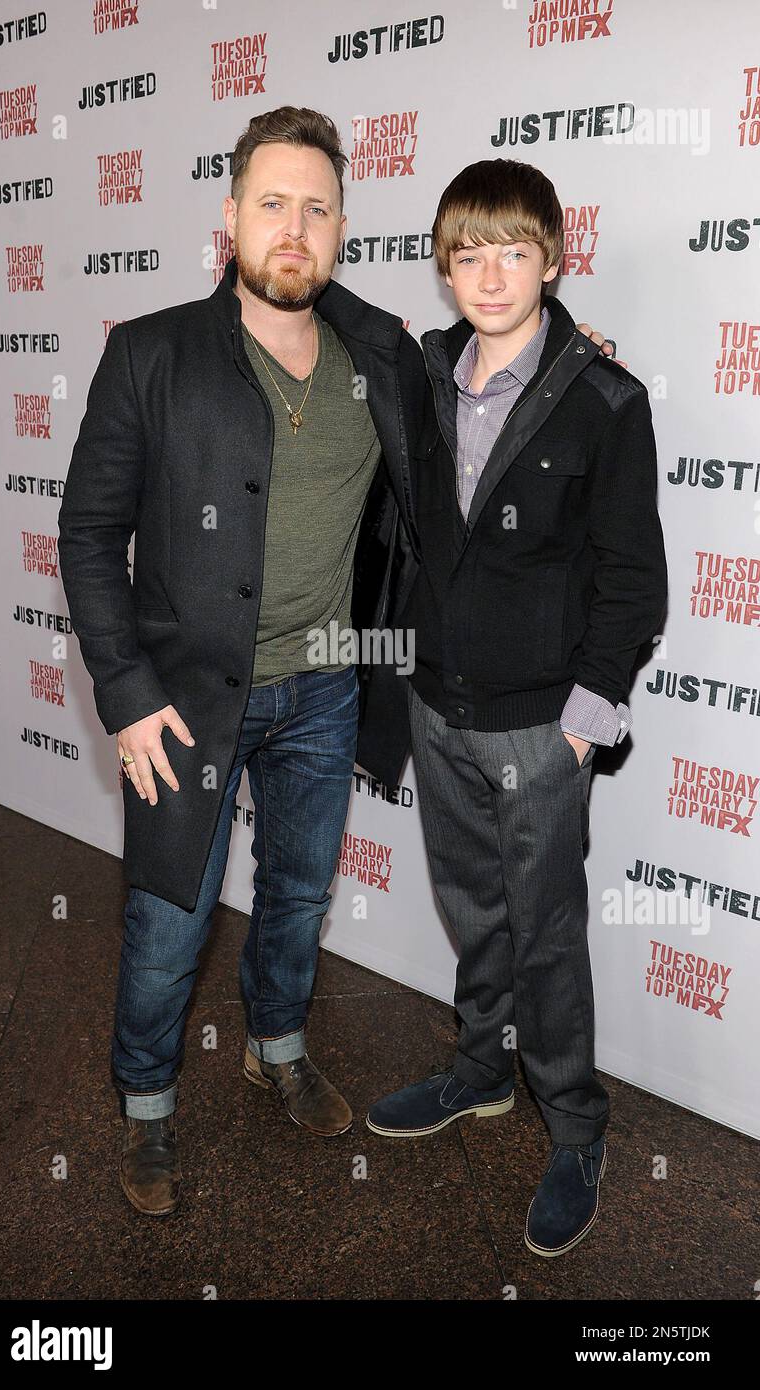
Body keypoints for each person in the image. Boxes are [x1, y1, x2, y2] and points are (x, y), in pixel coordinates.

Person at [58, 107, 615, 1219]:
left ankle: (278, 1046)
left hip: (327, 684)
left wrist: (584, 364)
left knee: (298, 896)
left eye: (316, 208)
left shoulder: (381, 356)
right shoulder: (151, 352)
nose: (293, 228)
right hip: (183, 704)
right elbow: (85, 534)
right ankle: (149, 1105)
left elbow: (498, 382)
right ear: (229, 216)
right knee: (170, 918)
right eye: (272, 203)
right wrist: (123, 696)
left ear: (343, 227)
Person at [365, 159, 668, 1259]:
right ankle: (479, 1073)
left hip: (544, 723)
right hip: (436, 703)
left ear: (552, 258)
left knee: (544, 935)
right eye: (467, 251)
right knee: (472, 908)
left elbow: (633, 578)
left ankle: (576, 1125)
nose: (490, 273)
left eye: (513, 250)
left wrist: (586, 719)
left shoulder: (602, 398)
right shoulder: (419, 374)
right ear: (444, 265)